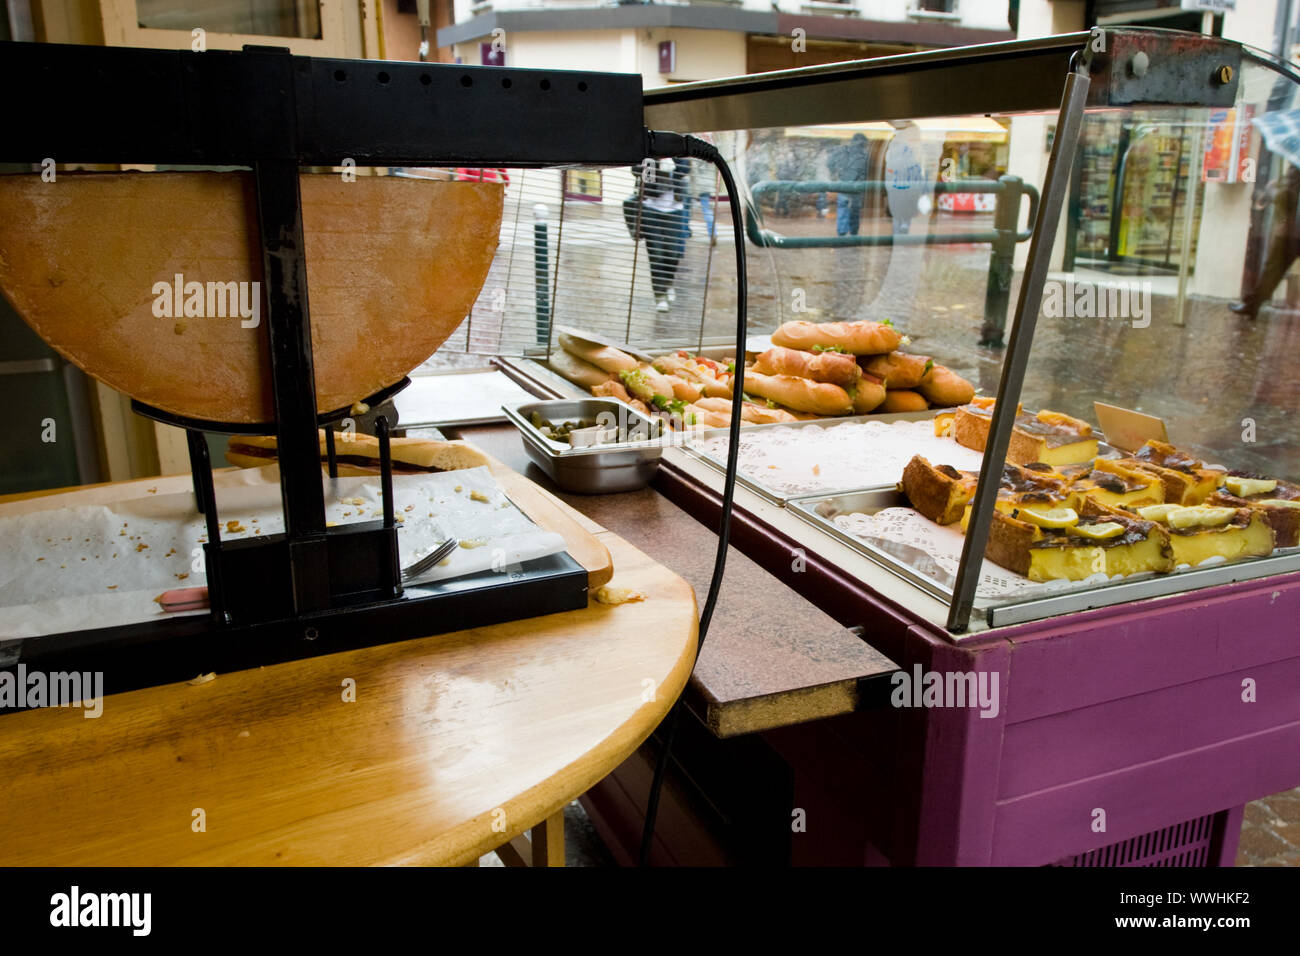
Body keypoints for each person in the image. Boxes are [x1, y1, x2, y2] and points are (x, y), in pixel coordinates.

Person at [628, 160, 684, 312]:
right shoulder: (649, 154)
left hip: (675, 209)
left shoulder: (678, 150)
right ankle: (660, 295)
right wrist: (655, 164)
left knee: (674, 253)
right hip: (651, 209)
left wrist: (674, 160)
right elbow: (636, 171)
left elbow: (686, 168)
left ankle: (668, 282)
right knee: (656, 254)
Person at [829, 133, 869, 237]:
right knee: (854, 210)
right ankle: (853, 232)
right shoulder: (864, 155)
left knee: (843, 207)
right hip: (856, 187)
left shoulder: (843, 151)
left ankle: (842, 232)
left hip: (844, 184)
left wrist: (835, 173)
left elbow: (830, 163)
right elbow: (866, 171)